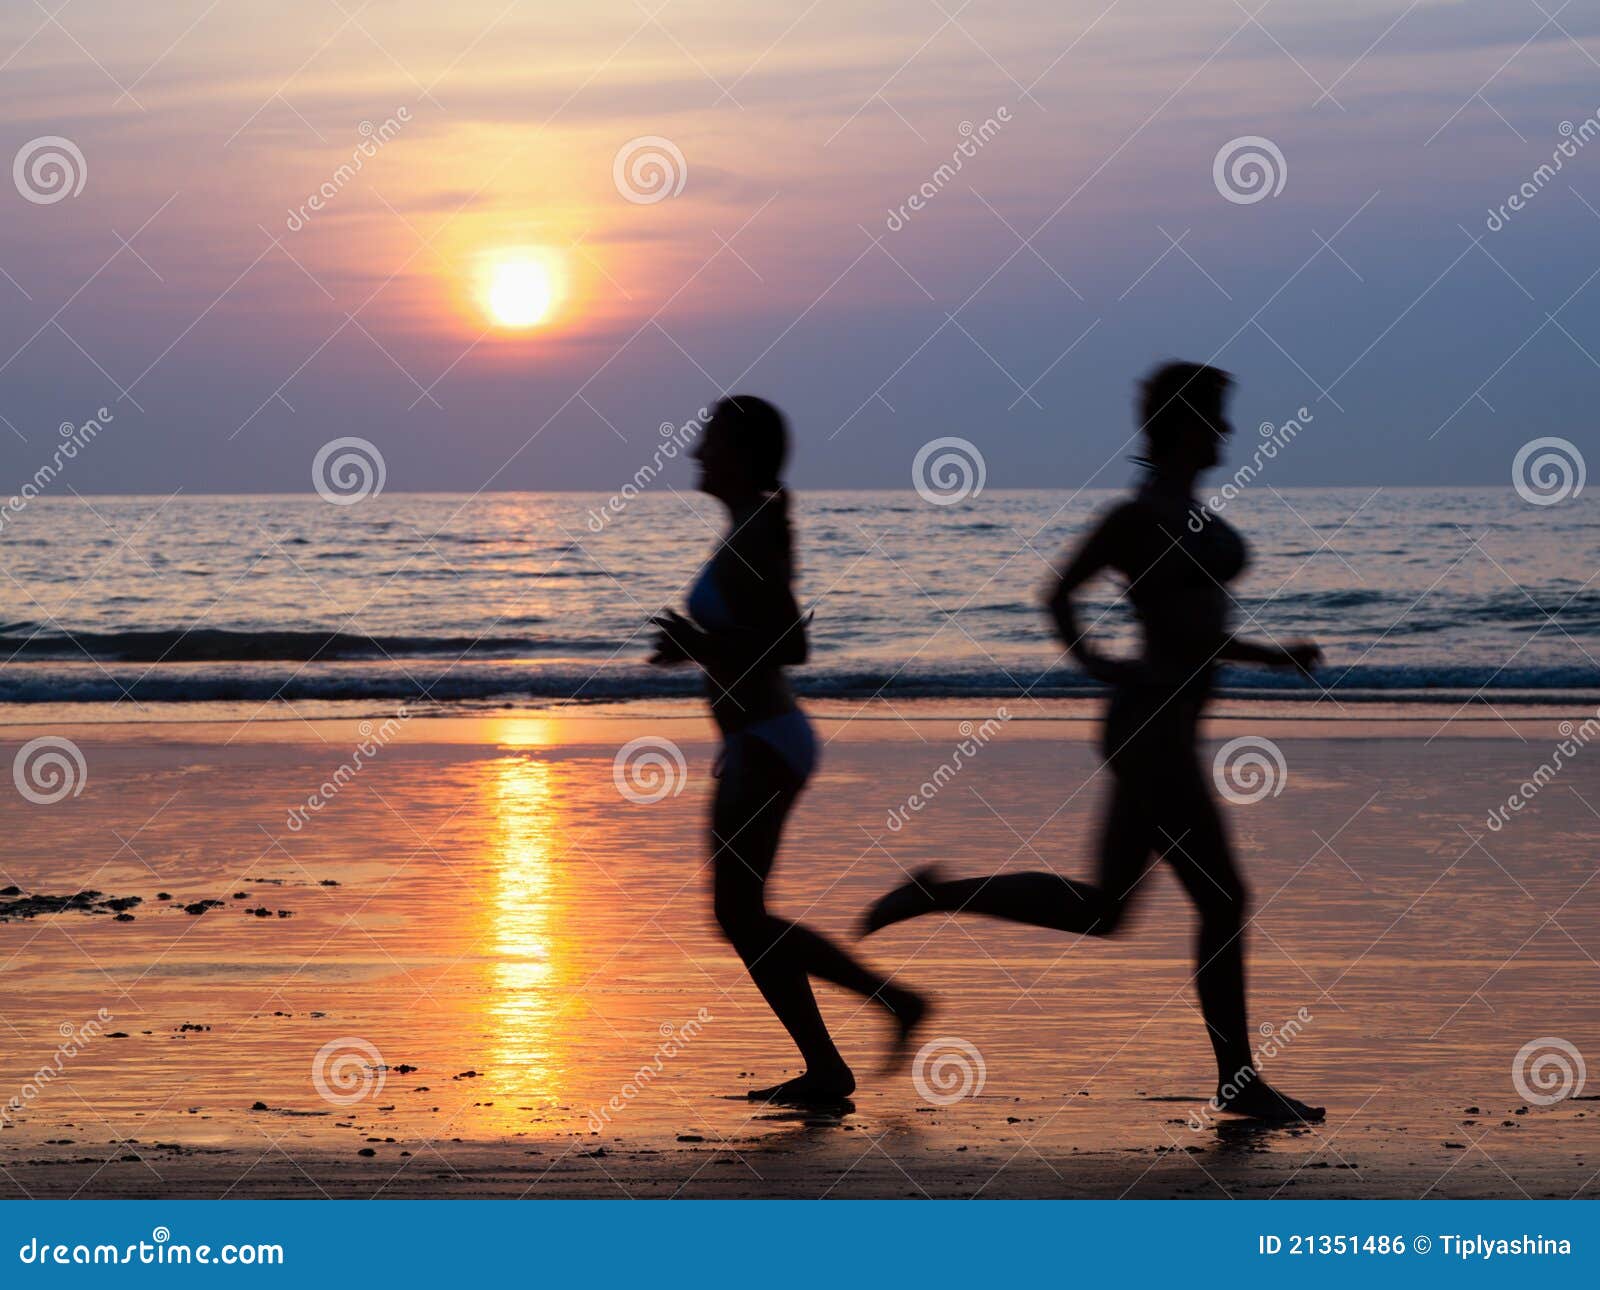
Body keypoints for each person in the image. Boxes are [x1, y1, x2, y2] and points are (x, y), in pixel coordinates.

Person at [861, 362, 1325, 1122]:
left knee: (1105, 910)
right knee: (1222, 897)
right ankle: (1238, 1082)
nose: (1228, 433)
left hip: (1161, 730)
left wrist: (1274, 656)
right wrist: (1102, 665)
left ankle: (937, 893)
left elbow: (1195, 631)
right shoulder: (1135, 517)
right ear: (1182, 426)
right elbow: (1057, 593)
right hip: (1149, 731)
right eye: (1216, 417)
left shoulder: (1189, 514)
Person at [649, 394, 927, 1105]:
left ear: (740, 453)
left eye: (707, 439)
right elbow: (762, 641)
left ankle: (884, 1009)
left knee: (739, 915)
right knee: (740, 915)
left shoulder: (753, 534)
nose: (693, 452)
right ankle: (836, 1056)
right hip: (759, 740)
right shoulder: (749, 526)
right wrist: (698, 650)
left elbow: (790, 644)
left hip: (767, 742)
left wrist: (697, 645)